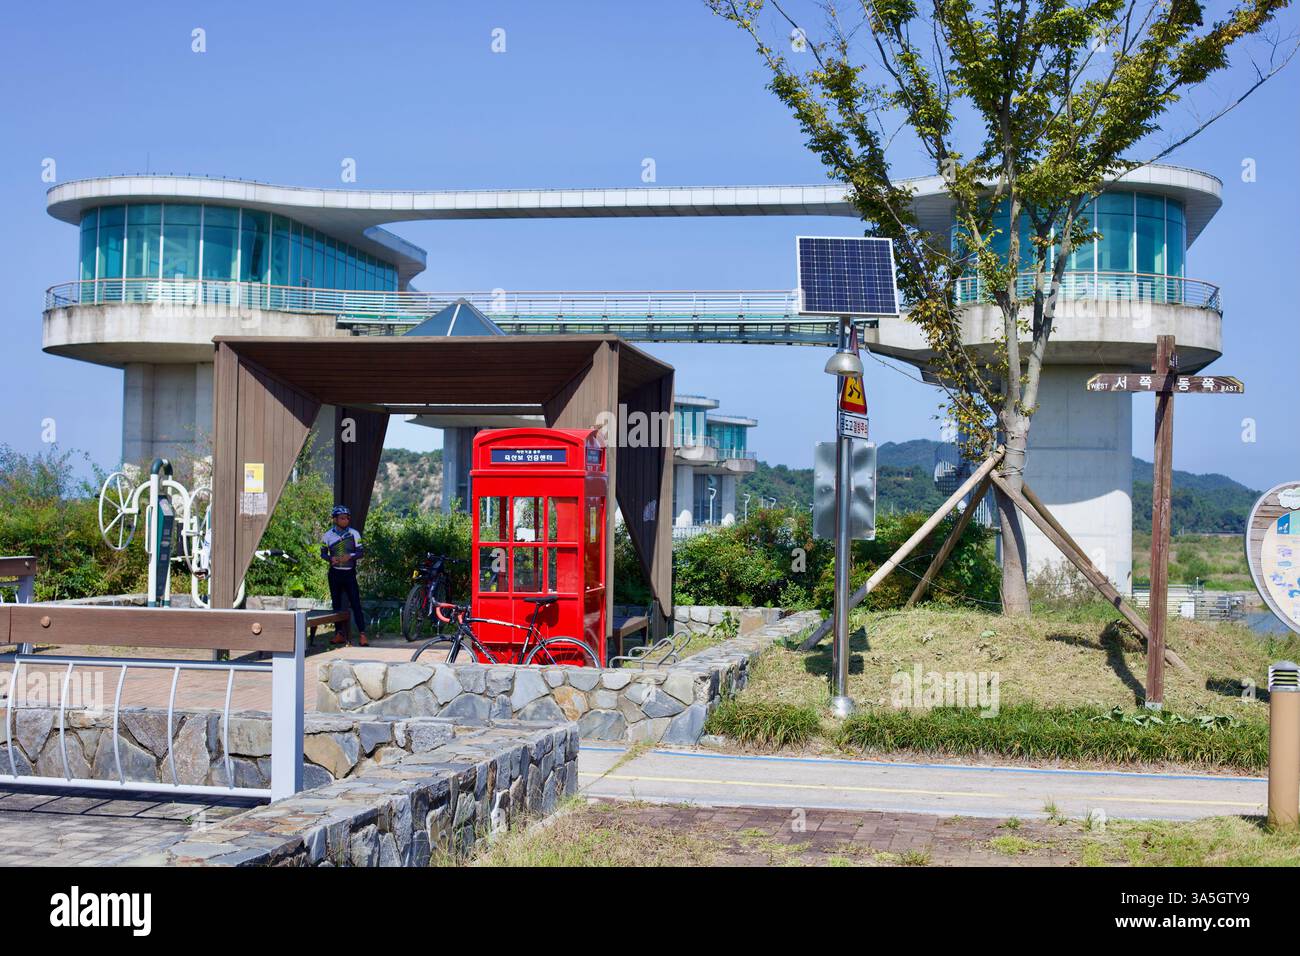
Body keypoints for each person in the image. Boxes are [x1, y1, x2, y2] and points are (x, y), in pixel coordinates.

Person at [321, 505, 368, 646]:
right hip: (335, 574)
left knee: (355, 603)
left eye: (347, 518)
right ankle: (339, 634)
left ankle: (362, 634)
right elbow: (323, 553)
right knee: (336, 604)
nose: (345, 520)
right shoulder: (328, 535)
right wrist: (330, 559)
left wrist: (350, 556)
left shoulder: (354, 533)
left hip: (349, 574)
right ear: (335, 519)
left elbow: (361, 552)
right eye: (342, 518)